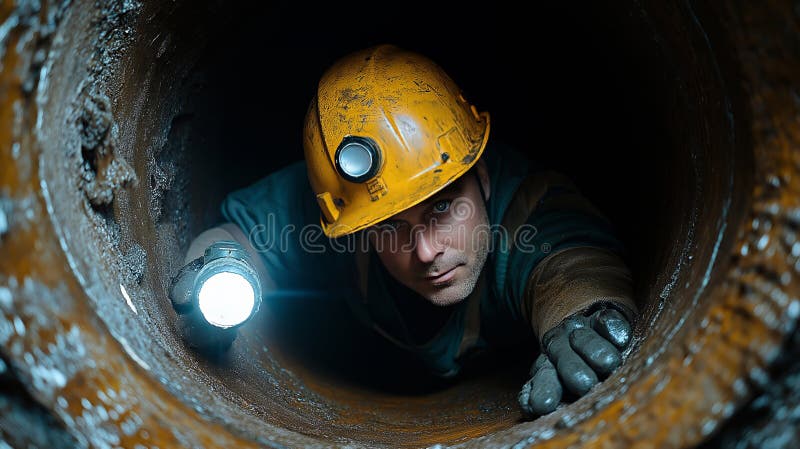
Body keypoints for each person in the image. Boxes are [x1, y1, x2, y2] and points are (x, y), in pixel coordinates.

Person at [168, 44, 637, 417]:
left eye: (444, 207)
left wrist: (582, 311)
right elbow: (240, 241)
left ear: (484, 177)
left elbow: (568, 258)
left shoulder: (528, 205)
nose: (426, 250)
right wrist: (220, 270)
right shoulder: (338, 210)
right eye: (390, 226)